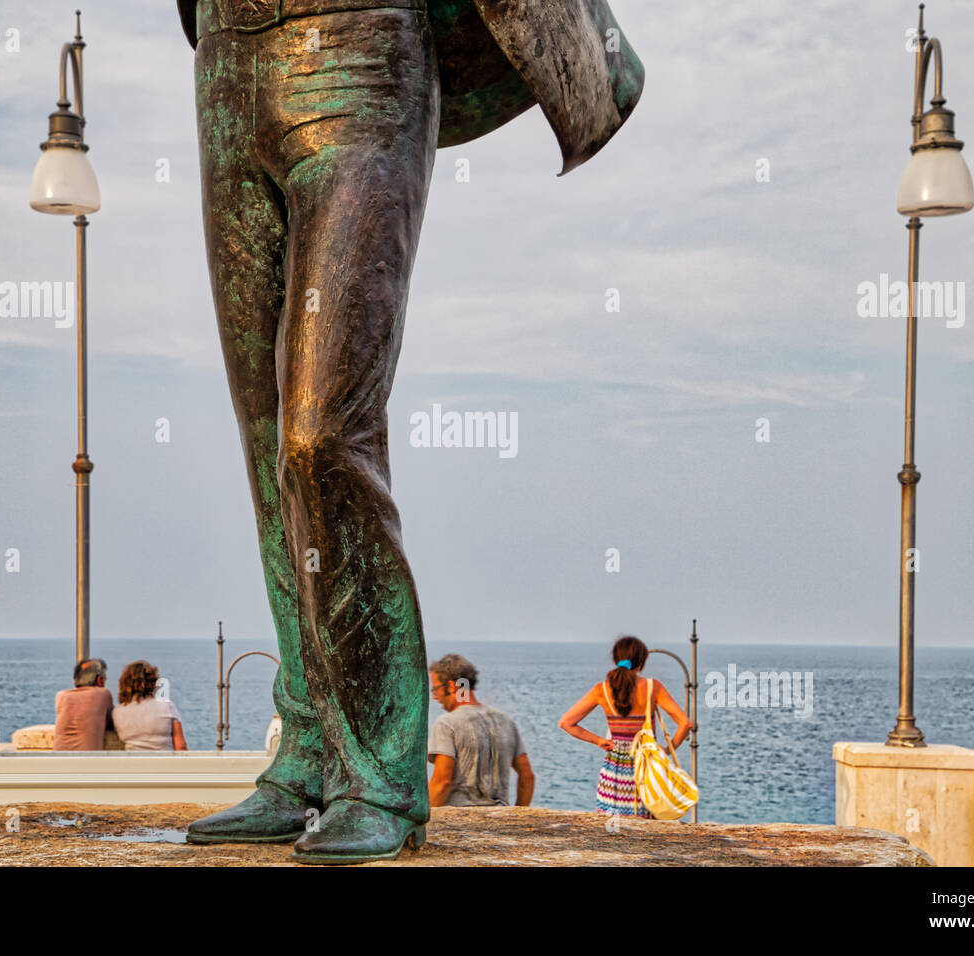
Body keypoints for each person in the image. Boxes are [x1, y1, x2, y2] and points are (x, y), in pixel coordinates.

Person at [178, 0, 645, 863]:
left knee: (322, 437)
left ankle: (385, 773)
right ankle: (309, 748)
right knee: (267, 442)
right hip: (224, 61)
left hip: (359, 46)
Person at [558, 636, 692, 817]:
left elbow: (566, 723)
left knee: (612, 832)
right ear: (642, 662)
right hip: (645, 771)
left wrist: (598, 740)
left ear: (615, 659)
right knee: (646, 834)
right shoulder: (653, 687)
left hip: (613, 774)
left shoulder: (601, 690)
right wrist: (667, 750)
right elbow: (685, 723)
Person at [427, 654, 534, 807]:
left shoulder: (447, 724)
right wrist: (517, 816)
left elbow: (442, 782)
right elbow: (527, 777)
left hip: (459, 818)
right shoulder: (505, 721)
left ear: (451, 686)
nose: (435, 697)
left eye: (435, 689)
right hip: (499, 817)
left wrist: (427, 823)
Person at [111, 661, 188, 752]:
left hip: (133, 764)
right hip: (165, 764)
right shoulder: (167, 706)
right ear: (153, 682)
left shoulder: (117, 711)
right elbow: (181, 746)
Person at [54, 658, 113, 751]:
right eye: (104, 679)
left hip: (58, 760)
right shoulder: (103, 694)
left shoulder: (61, 696)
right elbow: (110, 722)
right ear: (99, 680)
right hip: (87, 762)